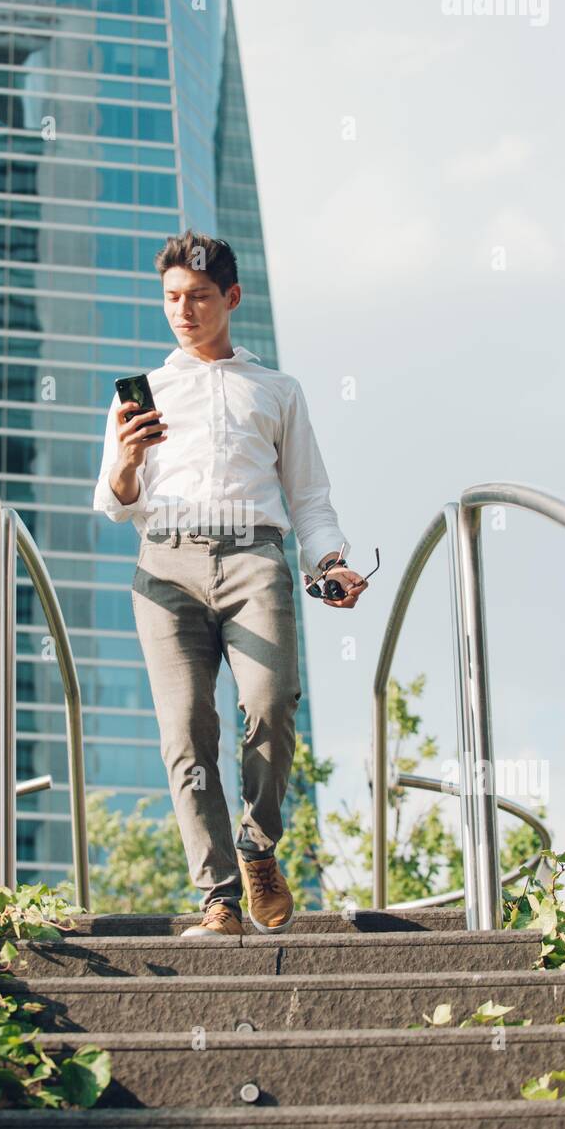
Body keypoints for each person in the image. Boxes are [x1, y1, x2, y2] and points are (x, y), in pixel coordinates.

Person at [93, 230, 369, 940]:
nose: (183, 311)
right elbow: (115, 501)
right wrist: (126, 458)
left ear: (231, 298)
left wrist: (329, 562)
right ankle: (217, 897)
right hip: (166, 561)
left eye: (198, 298)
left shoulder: (275, 390)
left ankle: (257, 844)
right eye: (172, 299)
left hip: (255, 559)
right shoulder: (140, 394)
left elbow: (307, 496)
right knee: (186, 732)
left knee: (271, 704)